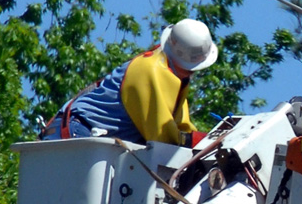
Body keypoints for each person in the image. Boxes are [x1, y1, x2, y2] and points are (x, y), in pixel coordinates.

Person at [41, 18, 218, 146]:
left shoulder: (172, 77)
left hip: (86, 132)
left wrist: (205, 140)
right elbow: (161, 137)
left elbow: (181, 125)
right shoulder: (152, 71)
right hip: (78, 131)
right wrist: (195, 142)